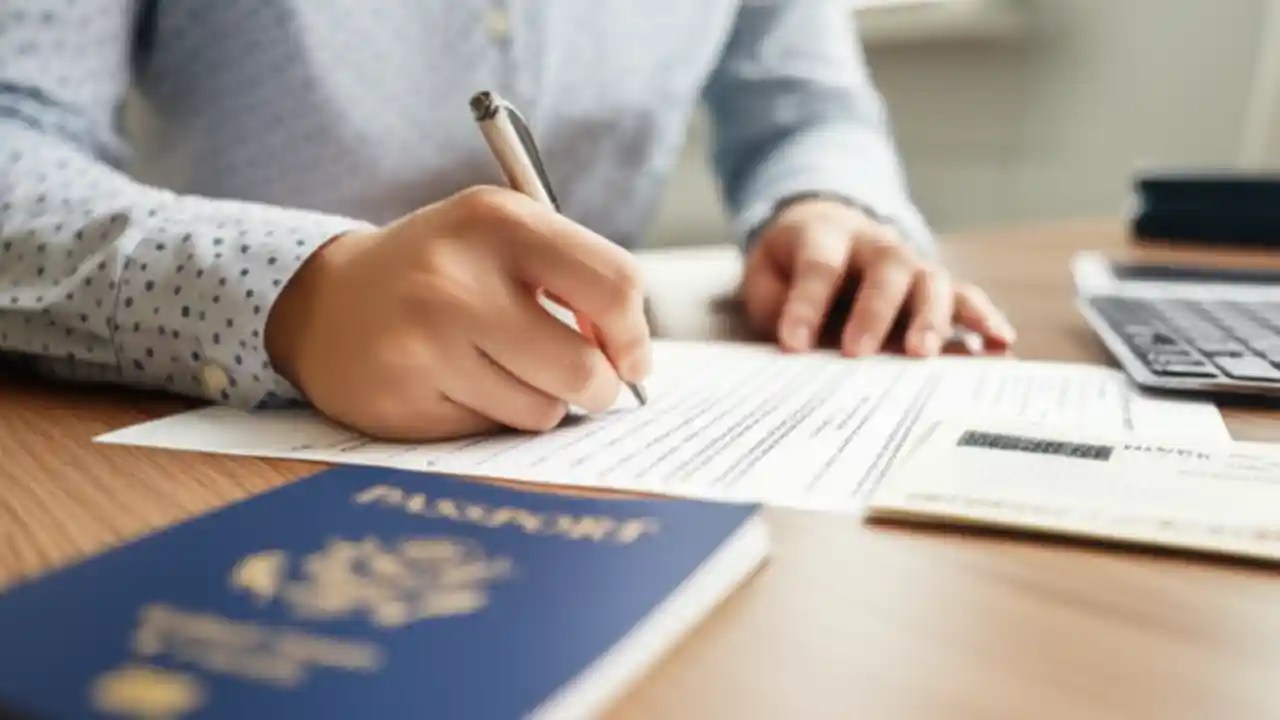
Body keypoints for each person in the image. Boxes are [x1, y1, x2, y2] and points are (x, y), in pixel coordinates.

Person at [0, 1, 1015, 441]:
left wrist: (826, 201)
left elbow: (806, 108)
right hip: (194, 430)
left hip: (584, 437)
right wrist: (293, 292)